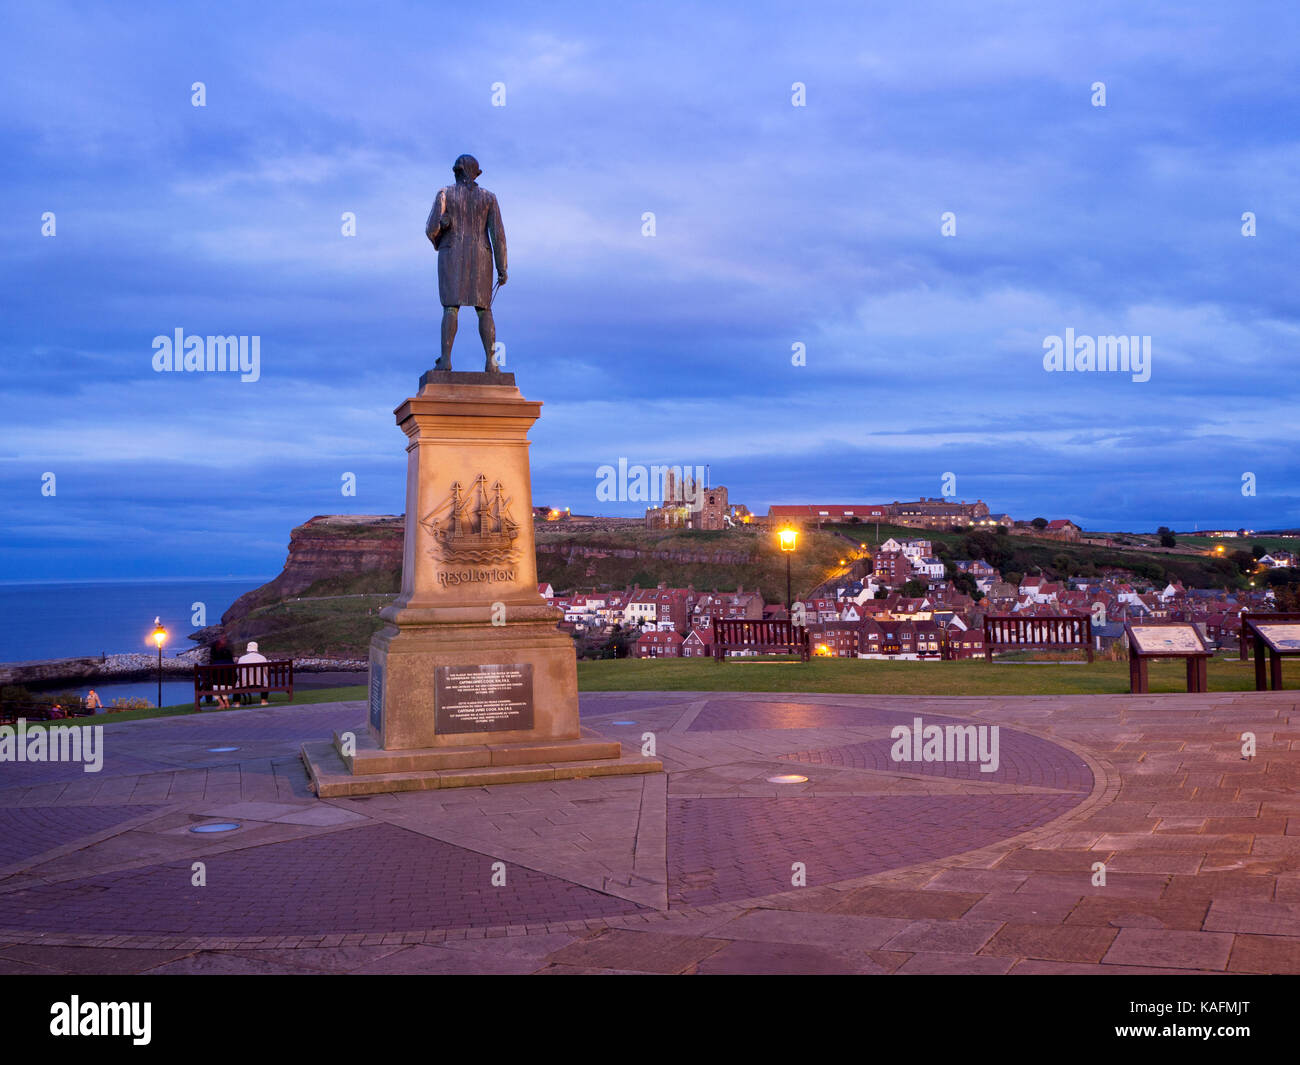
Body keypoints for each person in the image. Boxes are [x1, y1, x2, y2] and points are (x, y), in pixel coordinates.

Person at [426, 154, 507, 371]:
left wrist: (442, 230)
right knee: (484, 309)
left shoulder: (445, 194)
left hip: (451, 255)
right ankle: (491, 362)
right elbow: (498, 235)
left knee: (451, 308)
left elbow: (430, 228)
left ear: (457, 171)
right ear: (475, 173)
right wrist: (502, 267)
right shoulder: (489, 198)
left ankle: (446, 360)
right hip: (481, 258)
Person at [238, 641, 270, 705]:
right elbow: (266, 671)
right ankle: (263, 701)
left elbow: (238, 672)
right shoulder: (262, 658)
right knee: (265, 681)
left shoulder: (242, 658)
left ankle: (236, 703)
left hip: (245, 683)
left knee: (237, 684)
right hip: (260, 682)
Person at [209, 636, 235, 709]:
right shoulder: (231, 662)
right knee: (223, 686)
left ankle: (221, 703)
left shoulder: (214, 663)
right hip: (231, 685)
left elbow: (211, 676)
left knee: (214, 688)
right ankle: (226, 702)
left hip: (218, 686)